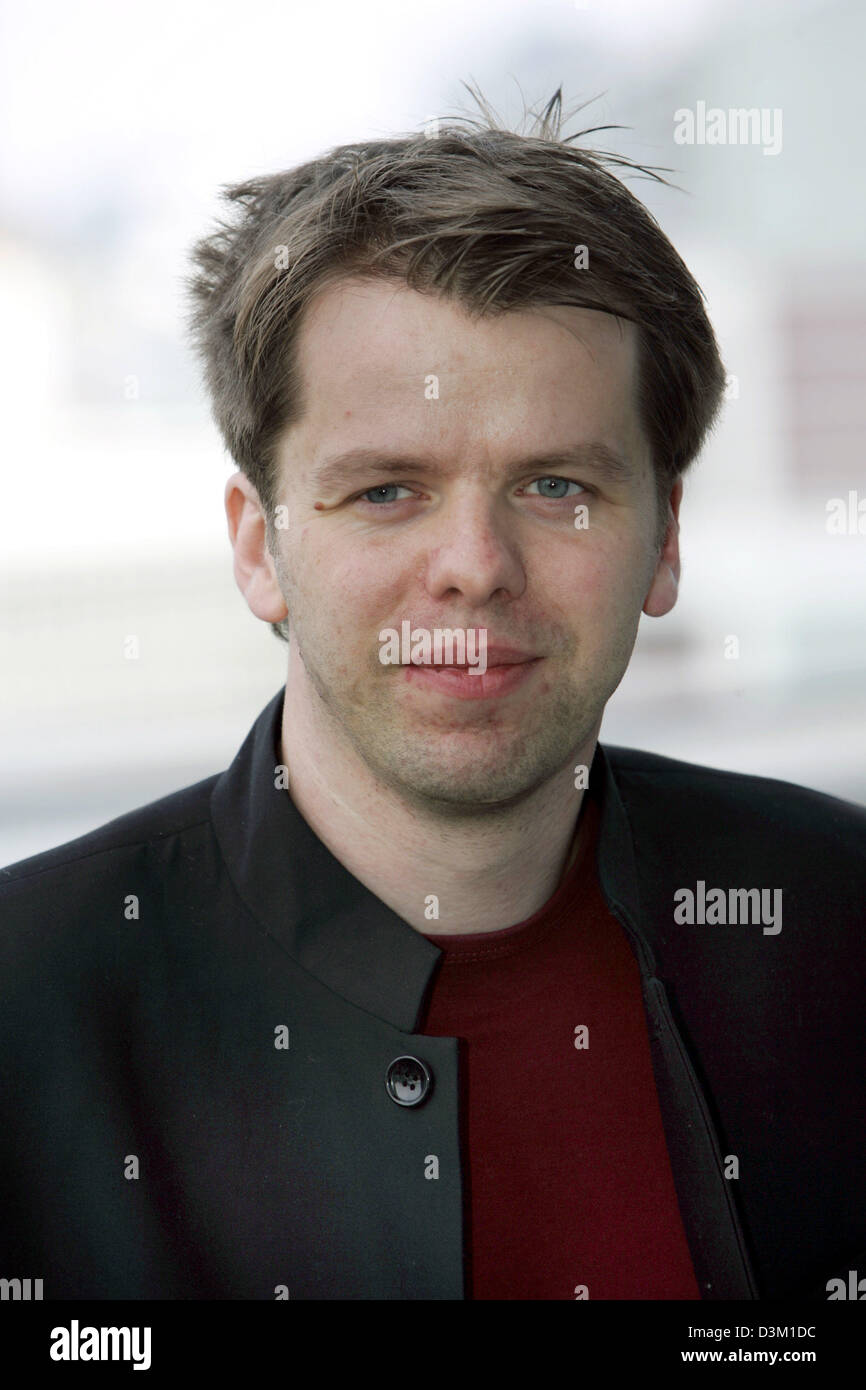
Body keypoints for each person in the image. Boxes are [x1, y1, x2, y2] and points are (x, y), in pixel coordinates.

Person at [1, 90, 864, 1302]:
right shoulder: (25, 1003)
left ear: (665, 540)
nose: (474, 563)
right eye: (387, 491)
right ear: (259, 547)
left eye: (556, 485)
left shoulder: (835, 918)